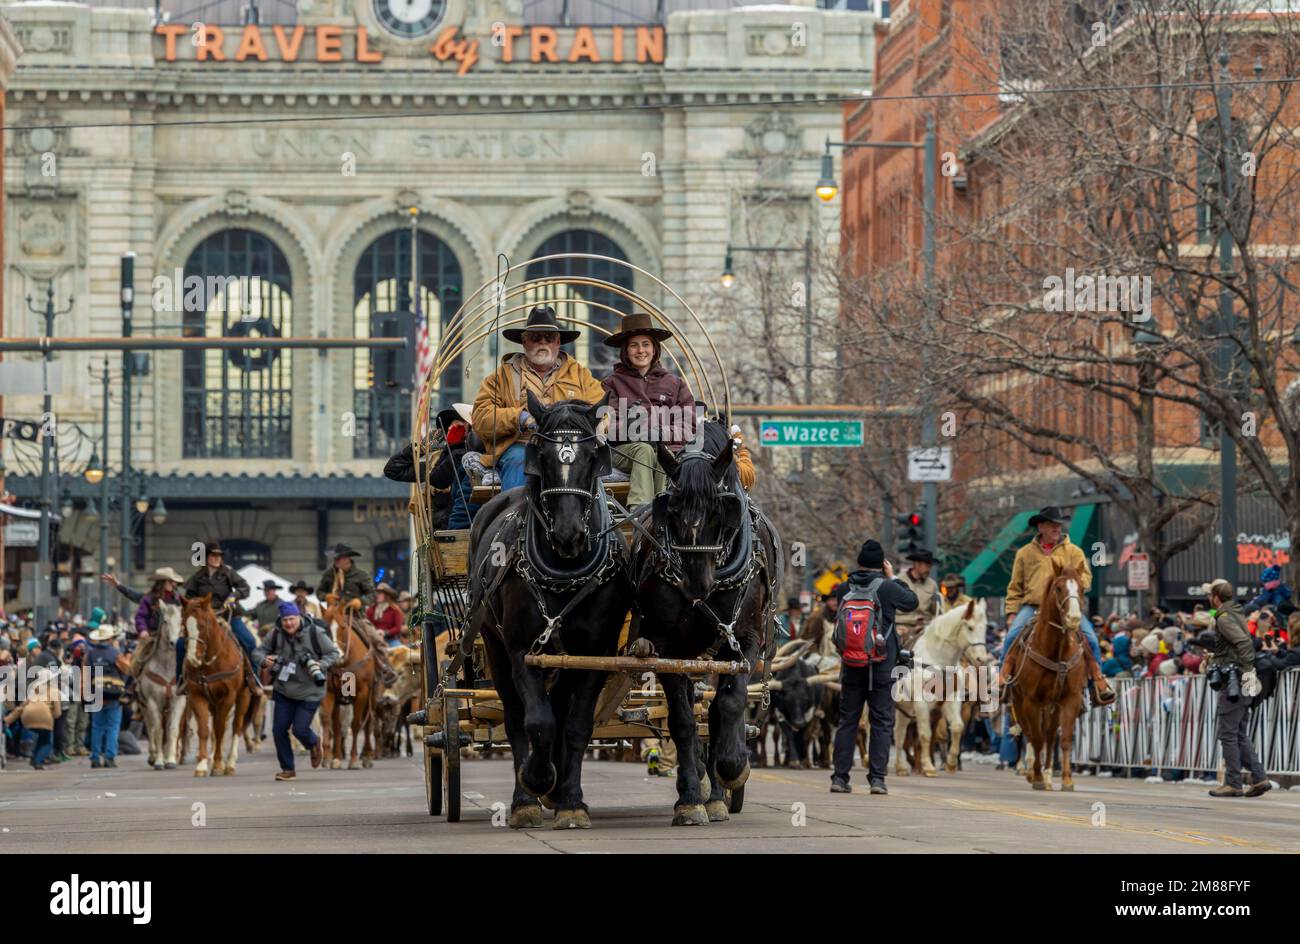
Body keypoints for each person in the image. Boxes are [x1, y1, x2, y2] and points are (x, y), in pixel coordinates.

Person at [470, 305, 607, 492]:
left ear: (558, 342)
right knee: (521, 459)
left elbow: (601, 409)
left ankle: (591, 517)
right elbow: (481, 416)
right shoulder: (501, 376)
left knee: (587, 464)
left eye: (549, 338)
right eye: (536, 338)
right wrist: (520, 417)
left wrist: (600, 424)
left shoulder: (580, 375)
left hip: (568, 446)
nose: (543, 343)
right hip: (521, 445)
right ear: (524, 342)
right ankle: (516, 517)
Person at [998, 506, 1114, 705]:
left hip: (1067, 607)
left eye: (1059, 526)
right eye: (1052, 525)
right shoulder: (1024, 553)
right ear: (1041, 527)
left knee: (1092, 640)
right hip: (1032, 606)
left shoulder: (1074, 552)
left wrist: (1074, 583)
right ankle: (1001, 682)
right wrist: (1011, 613)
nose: (1057, 529)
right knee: (1011, 636)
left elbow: (1086, 577)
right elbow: (1015, 586)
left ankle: (1097, 683)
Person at [829, 539, 918, 796]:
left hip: (851, 664)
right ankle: (877, 780)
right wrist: (893, 578)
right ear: (881, 565)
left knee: (848, 721)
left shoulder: (843, 588)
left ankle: (840, 777)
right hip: (881, 665)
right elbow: (912, 602)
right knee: (881, 721)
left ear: (858, 563)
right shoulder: (888, 588)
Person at [599, 311, 696, 507]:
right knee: (644, 450)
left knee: (662, 454)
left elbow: (689, 426)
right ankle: (642, 511)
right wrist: (639, 432)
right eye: (633, 345)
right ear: (626, 351)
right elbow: (609, 426)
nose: (640, 350)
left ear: (654, 349)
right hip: (623, 451)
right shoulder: (612, 383)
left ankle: (665, 511)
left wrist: (659, 433)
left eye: (645, 344)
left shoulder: (675, 383)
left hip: (667, 448)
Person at [253, 601, 340, 782]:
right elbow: (257, 652)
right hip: (284, 689)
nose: (289, 623)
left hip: (311, 690)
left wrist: (320, 664)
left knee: (300, 729)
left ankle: (313, 742)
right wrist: (264, 661)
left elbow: (333, 653)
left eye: (292, 619)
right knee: (279, 729)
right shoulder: (275, 633)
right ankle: (288, 769)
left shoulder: (315, 633)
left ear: (299, 617)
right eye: (285, 620)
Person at [1202, 578, 1271, 798]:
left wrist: (1246, 670)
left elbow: (1243, 643)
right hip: (1240, 678)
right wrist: (1219, 657)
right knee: (1239, 733)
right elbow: (1237, 645)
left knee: (1228, 733)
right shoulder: (1237, 613)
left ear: (1215, 597)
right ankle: (1259, 778)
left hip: (1235, 681)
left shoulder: (1223, 617)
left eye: (1209, 596)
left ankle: (1233, 782)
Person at [385, 403, 482, 529]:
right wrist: (420, 448)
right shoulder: (435, 463)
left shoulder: (474, 458)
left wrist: (452, 447)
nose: (450, 429)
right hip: (440, 529)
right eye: (449, 427)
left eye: (458, 426)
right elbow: (392, 469)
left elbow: (440, 476)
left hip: (465, 526)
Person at [181, 542, 259, 692]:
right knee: (180, 645)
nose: (217, 558)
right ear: (205, 557)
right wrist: (194, 606)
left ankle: (252, 677)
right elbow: (189, 598)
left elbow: (245, 587)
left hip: (228, 614)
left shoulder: (228, 572)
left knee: (249, 641)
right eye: (213, 555)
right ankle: (182, 679)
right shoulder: (197, 577)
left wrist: (234, 596)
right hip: (203, 619)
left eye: (219, 555)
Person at [316, 543, 397, 685]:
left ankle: (385, 668)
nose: (335, 561)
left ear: (347, 558)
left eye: (338, 558)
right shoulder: (329, 575)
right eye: (335, 559)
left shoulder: (361, 575)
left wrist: (360, 601)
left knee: (376, 640)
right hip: (333, 616)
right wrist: (326, 596)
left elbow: (371, 594)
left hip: (355, 617)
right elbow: (319, 592)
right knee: (314, 638)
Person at [84, 622, 127, 768]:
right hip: (113, 695)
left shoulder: (90, 654)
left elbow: (85, 674)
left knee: (97, 727)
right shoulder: (115, 653)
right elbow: (127, 670)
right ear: (110, 638)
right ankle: (109, 757)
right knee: (112, 727)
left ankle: (95, 758)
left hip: (96, 695)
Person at [4, 667, 61, 770]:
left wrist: (7, 720)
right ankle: (37, 762)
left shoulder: (33, 689)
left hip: (27, 715)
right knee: (47, 742)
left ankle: (34, 758)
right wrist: (51, 714)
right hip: (44, 715)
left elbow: (21, 708)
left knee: (41, 739)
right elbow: (57, 713)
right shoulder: (54, 691)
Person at [893, 548, 943, 647]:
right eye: (927, 566)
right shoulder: (898, 581)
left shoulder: (932, 585)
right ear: (917, 564)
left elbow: (936, 611)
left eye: (930, 566)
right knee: (896, 644)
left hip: (923, 627)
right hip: (902, 626)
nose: (929, 569)